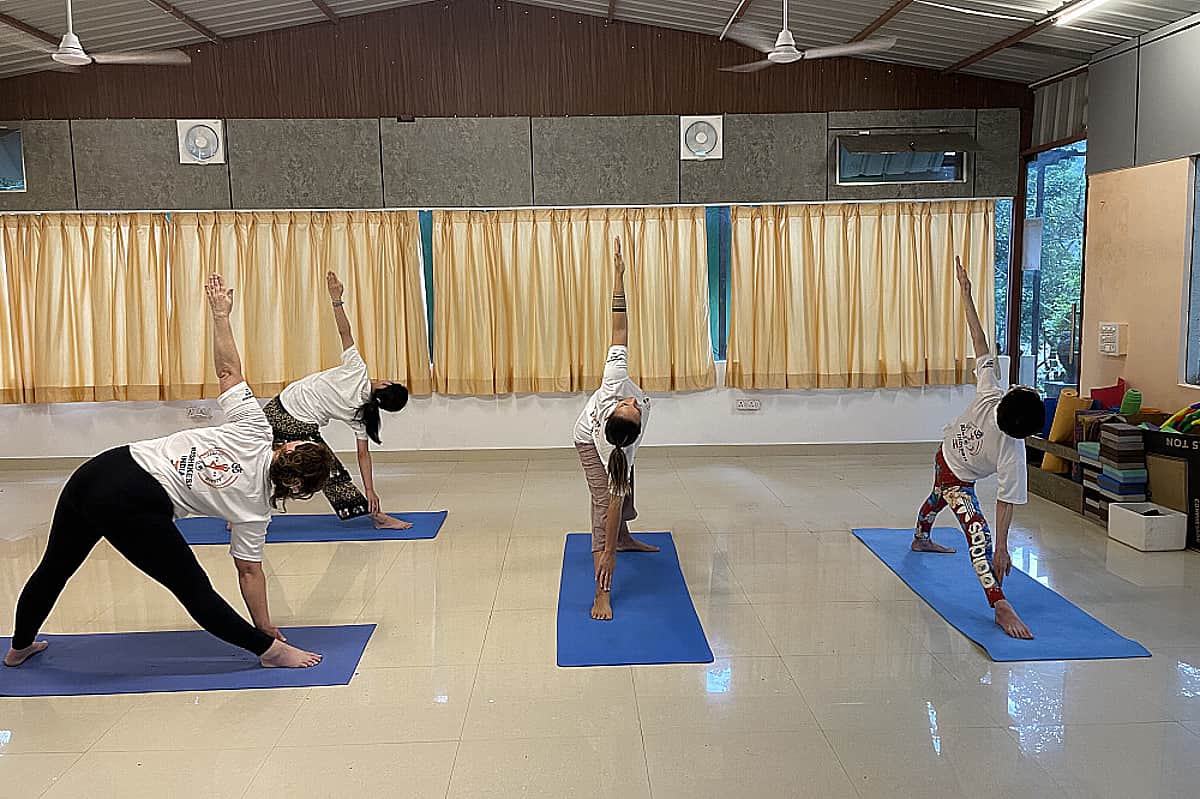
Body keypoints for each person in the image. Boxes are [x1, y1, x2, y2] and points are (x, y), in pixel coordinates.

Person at [5, 275, 335, 669]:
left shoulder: (256, 430)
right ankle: (270, 652)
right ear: (297, 488)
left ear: (287, 449)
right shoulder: (254, 510)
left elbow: (229, 372)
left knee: (54, 567)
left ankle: (19, 646)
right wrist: (264, 625)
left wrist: (220, 315)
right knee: (192, 588)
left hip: (99, 469)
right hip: (133, 502)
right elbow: (249, 572)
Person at [912, 256, 1045, 640]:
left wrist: (1003, 546)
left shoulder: (995, 400)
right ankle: (999, 603)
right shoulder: (1001, 416)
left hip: (949, 462)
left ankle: (922, 538)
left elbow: (1006, 500)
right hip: (949, 462)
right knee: (977, 535)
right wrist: (966, 295)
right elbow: (980, 340)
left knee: (942, 501)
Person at [267, 271, 411, 530]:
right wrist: (370, 490)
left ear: (385, 384)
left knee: (266, 461)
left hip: (276, 408)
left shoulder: (358, 370)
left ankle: (240, 516)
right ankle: (377, 517)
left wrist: (336, 299)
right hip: (297, 422)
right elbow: (362, 455)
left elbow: (345, 332)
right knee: (325, 469)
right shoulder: (361, 416)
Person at [573, 237, 658, 621]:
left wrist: (619, 276)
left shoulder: (617, 384)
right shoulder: (614, 438)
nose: (634, 401)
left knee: (625, 494)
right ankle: (601, 592)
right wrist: (604, 552)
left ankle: (623, 539)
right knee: (603, 508)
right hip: (586, 442)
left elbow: (620, 324)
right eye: (631, 405)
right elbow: (613, 499)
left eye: (632, 405)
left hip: (614, 448)